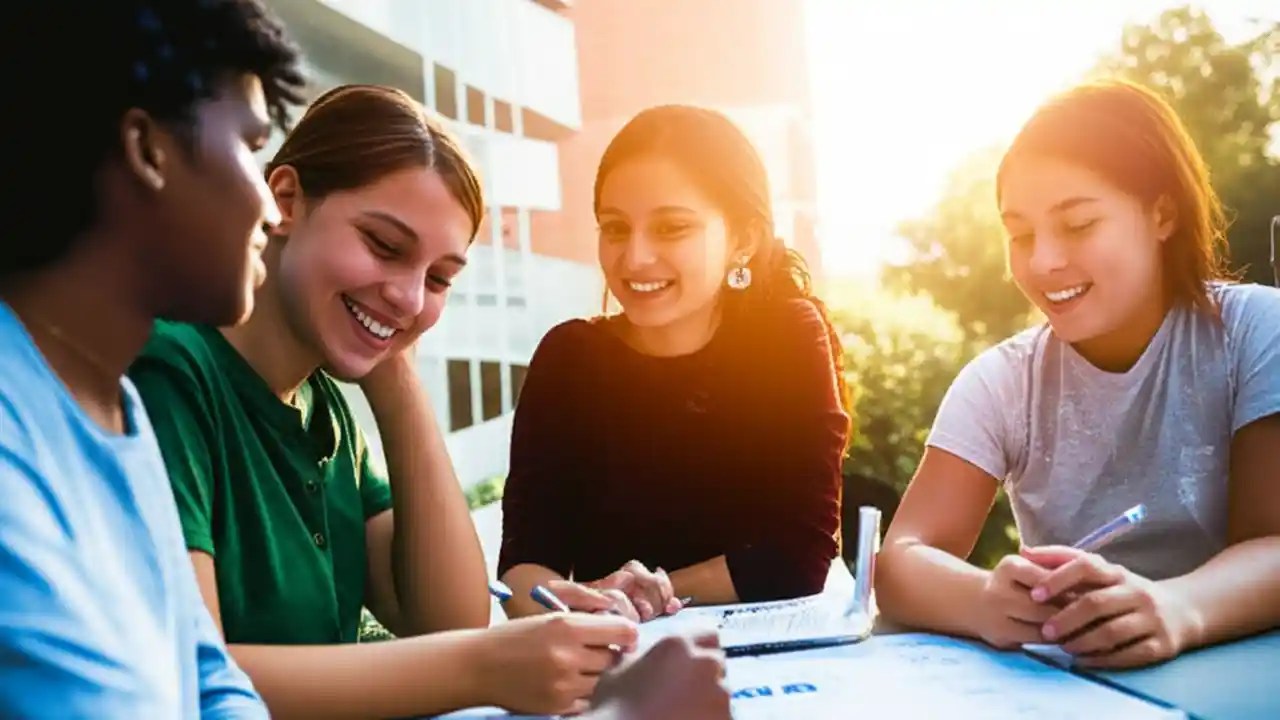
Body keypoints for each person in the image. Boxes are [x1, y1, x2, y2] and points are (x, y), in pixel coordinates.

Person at [131, 84, 731, 719]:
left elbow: (449, 619)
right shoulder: (168, 371)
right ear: (286, 201)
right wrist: (488, 667)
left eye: (439, 278)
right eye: (385, 247)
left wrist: (398, 383)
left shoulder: (324, 410)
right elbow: (190, 675)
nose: (410, 298)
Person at [876, 80, 1280, 668]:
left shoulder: (1256, 330)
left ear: (1162, 213)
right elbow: (901, 561)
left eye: (1079, 224)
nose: (1042, 261)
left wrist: (1175, 607)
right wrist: (984, 598)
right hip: (1083, 690)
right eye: (1020, 235)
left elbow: (1273, 542)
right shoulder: (1002, 381)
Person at [0, 0, 306, 716]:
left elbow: (211, 678)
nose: (270, 209)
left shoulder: (116, 402)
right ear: (148, 149)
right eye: (252, 148)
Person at [498, 105, 852, 621]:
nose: (635, 257)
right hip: (620, 668)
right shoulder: (568, 359)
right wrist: (578, 604)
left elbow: (798, 556)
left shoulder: (786, 338)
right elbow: (524, 569)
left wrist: (645, 592)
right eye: (615, 229)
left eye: (671, 228)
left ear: (743, 239)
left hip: (776, 659)